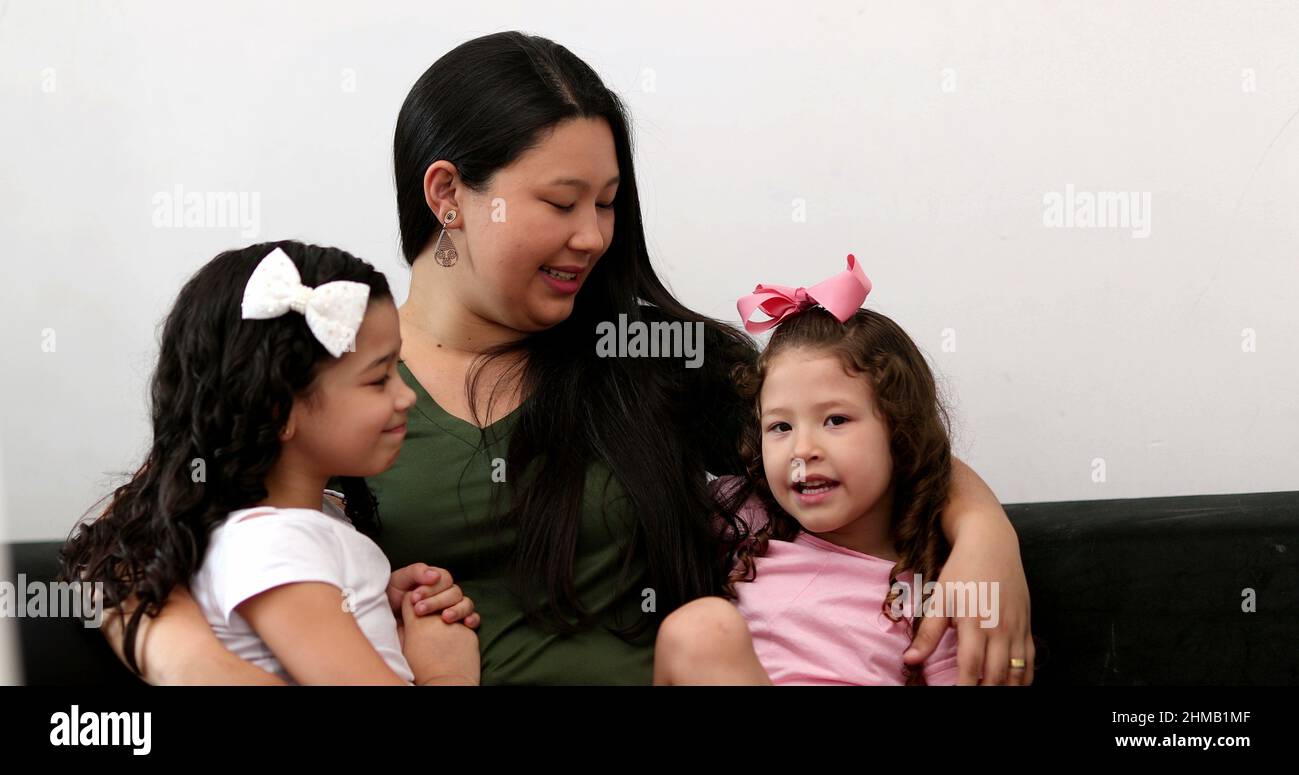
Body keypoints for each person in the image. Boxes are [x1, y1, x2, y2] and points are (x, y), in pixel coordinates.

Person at [106, 32, 1034, 685]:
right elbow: (127, 546)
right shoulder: (324, 375)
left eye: (609, 201)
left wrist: (987, 534)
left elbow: (863, 431)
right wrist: (183, 655)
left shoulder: (652, 356)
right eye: (560, 201)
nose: (593, 236)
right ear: (449, 195)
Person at [61, 241, 479, 685]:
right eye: (379, 379)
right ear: (279, 409)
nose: (406, 396)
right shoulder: (277, 546)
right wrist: (444, 672)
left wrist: (369, 603)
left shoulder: (305, 524)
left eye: (398, 368)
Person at [656, 256, 1005, 684]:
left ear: (900, 432)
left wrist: (987, 527)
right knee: (702, 630)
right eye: (780, 427)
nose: (802, 450)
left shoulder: (935, 590)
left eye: (835, 420)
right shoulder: (744, 514)